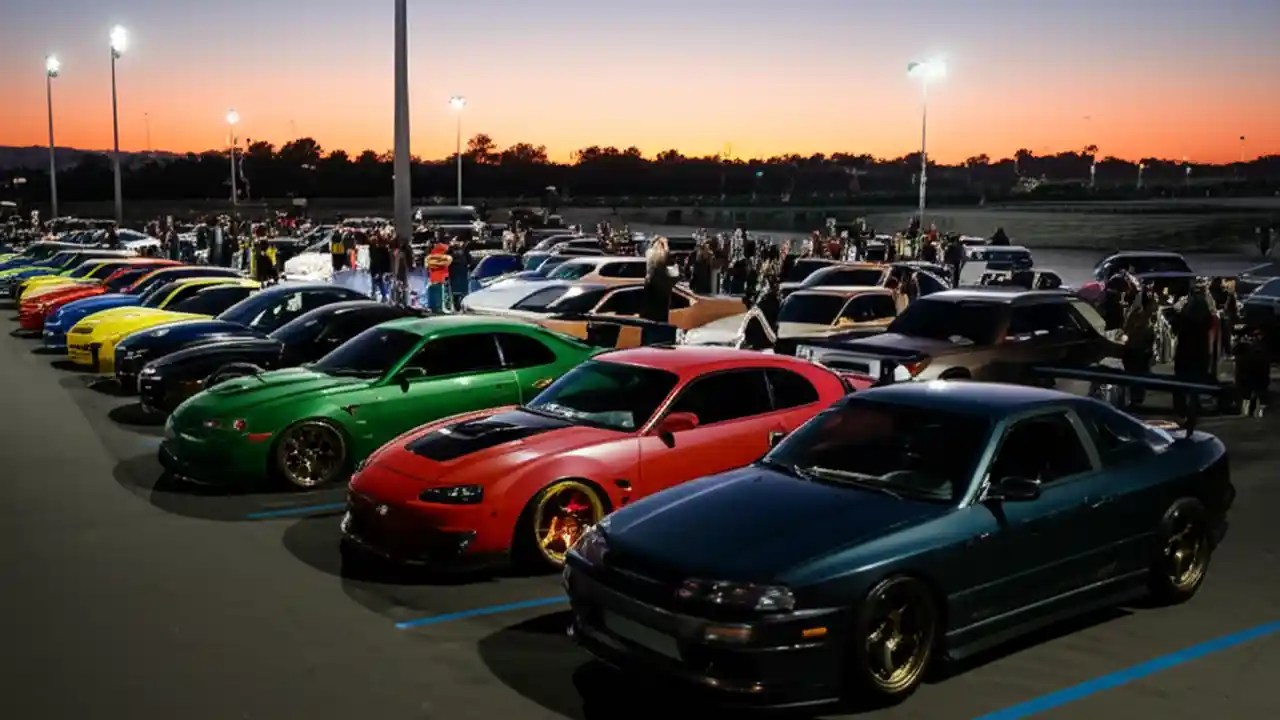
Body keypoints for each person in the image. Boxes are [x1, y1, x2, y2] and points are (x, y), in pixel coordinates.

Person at [1171, 282, 1217, 414]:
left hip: (1187, 350)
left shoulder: (1187, 309)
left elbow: (1177, 326)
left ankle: (1182, 405)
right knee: (1195, 379)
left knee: (1183, 379)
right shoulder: (1202, 310)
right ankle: (1191, 404)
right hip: (1198, 349)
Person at [1122, 286, 1158, 406]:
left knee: (1136, 375)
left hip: (1137, 350)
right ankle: (1136, 399)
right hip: (1138, 350)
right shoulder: (1142, 316)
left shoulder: (1140, 315)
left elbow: (1127, 329)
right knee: (1138, 375)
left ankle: (1135, 399)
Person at [641, 236, 675, 324]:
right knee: (662, 313)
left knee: (649, 308)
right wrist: (665, 243)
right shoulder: (665, 256)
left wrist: (655, 240)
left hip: (650, 282)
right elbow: (668, 255)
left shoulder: (649, 253)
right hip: (662, 285)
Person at [425, 236, 452, 312]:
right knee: (440, 293)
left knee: (436, 292)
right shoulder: (444, 252)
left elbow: (428, 265)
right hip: (440, 277)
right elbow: (448, 262)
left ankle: (435, 307)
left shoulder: (431, 255)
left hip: (434, 277)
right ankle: (439, 307)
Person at [368, 231, 393, 303]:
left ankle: (376, 295)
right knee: (378, 282)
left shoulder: (375, 250)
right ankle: (381, 295)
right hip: (377, 269)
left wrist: (378, 270)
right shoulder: (376, 249)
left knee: (377, 282)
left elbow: (377, 261)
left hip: (376, 269)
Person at [448, 235, 471, 310]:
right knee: (458, 292)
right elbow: (469, 261)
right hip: (457, 272)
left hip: (458, 272)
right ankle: (458, 306)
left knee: (458, 292)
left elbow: (469, 260)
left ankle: (459, 306)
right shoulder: (451, 250)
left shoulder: (462, 250)